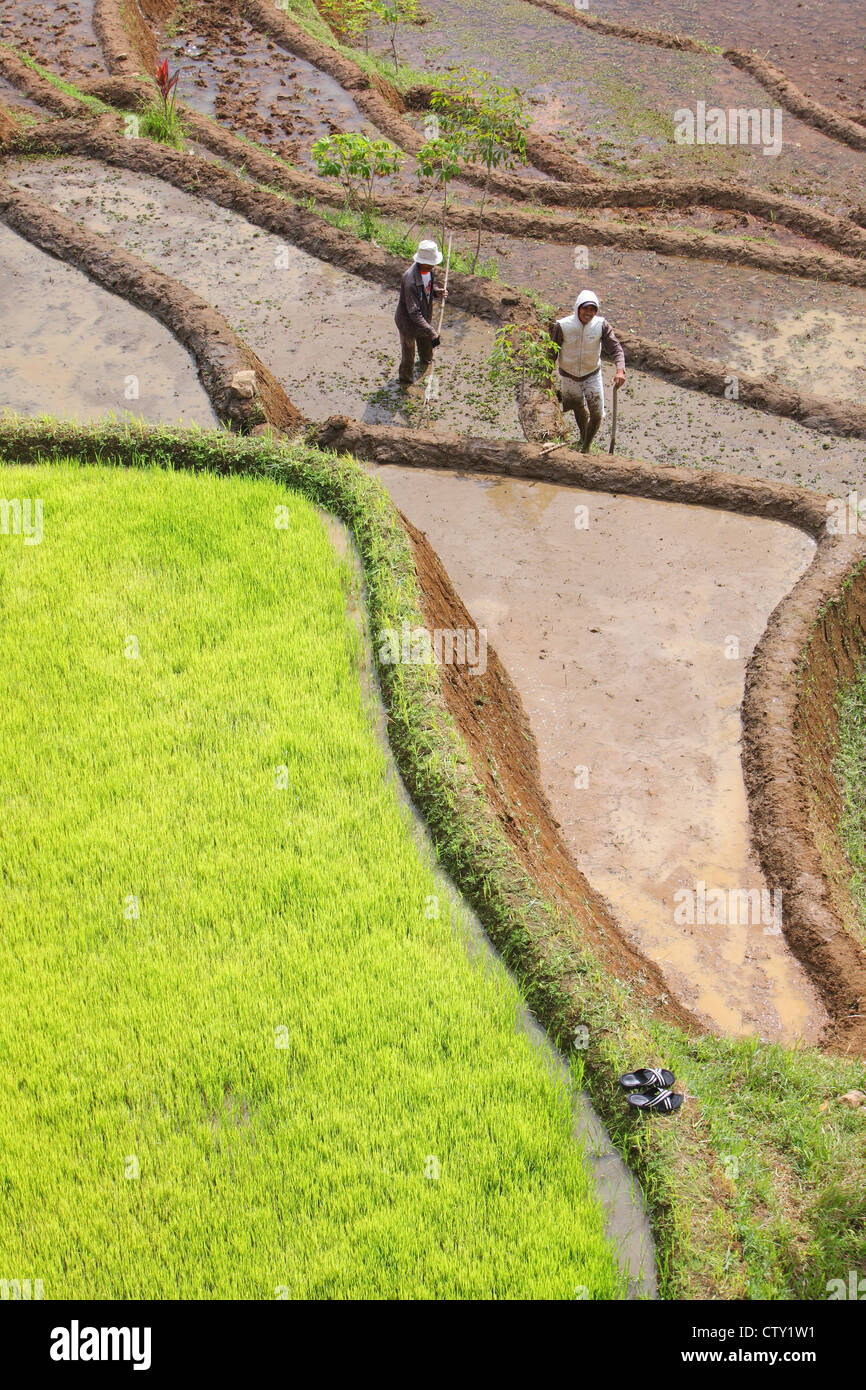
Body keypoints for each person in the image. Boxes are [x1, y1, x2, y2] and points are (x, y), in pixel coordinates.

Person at [551, 289, 626, 453]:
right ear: (578, 308)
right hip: (568, 374)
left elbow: (616, 349)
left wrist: (620, 370)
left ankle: (586, 447)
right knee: (577, 406)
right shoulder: (563, 326)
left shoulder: (601, 325)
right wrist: (546, 374)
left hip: (592, 374)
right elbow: (552, 351)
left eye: (593, 309)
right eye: (585, 308)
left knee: (597, 414)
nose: (589, 313)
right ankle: (582, 437)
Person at [395, 239, 448, 386]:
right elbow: (413, 312)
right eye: (432, 263)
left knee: (426, 348)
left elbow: (428, 287)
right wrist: (431, 331)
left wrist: (437, 292)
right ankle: (405, 381)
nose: (434, 266)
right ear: (423, 262)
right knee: (409, 354)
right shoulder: (410, 280)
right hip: (408, 323)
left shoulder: (428, 271)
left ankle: (426, 362)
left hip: (423, 317)